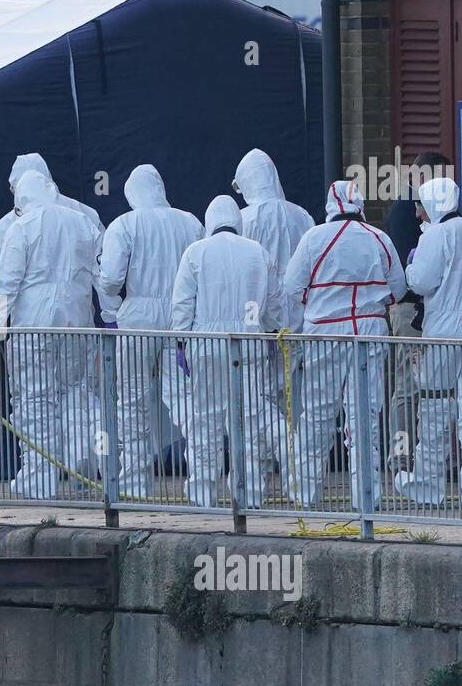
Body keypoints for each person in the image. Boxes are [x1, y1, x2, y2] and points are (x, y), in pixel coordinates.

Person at [0, 153, 108, 478]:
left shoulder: (15, 224)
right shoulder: (85, 216)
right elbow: (103, 274)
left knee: (34, 400)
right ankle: (86, 471)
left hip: (31, 328)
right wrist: (111, 314)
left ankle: (39, 478)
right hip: (77, 324)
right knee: (79, 394)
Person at [283, 180, 406, 510]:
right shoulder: (379, 238)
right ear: (360, 204)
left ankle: (305, 493)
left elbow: (292, 287)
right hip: (369, 331)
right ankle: (366, 496)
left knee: (317, 416)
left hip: (325, 331)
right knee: (365, 415)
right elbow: (399, 288)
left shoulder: (313, 238)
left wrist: (319, 301)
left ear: (330, 206)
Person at [96, 164, 203, 496]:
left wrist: (111, 300)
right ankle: (203, 477)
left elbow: (112, 279)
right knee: (185, 399)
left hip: (138, 316)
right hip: (178, 316)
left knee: (132, 400)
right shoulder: (191, 223)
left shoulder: (125, 224)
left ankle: (134, 483)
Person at [170, 194, 282, 508]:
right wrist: (272, 330)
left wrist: (181, 341)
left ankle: (203, 493)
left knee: (205, 421)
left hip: (206, 344)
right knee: (248, 421)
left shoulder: (195, 252)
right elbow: (273, 303)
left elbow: (182, 305)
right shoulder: (257, 251)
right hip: (249, 343)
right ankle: (249, 494)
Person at [393, 176, 462, 506]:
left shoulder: (436, 235)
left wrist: (410, 265)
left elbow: (421, 282)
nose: (418, 214)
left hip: (446, 331)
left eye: (420, 206)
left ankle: (428, 485)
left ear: (432, 205)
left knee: (435, 406)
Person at [234, 148, 314, 461]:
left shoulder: (242, 219)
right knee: (291, 397)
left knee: (256, 398)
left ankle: (266, 466)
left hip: (255, 318)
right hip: (297, 318)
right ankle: (296, 466)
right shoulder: (301, 216)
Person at [385, 151, 450, 470]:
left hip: (431, 309)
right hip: (411, 309)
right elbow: (411, 269)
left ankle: (433, 455)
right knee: (409, 386)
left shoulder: (434, 214)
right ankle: (401, 454)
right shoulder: (406, 211)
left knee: (435, 386)